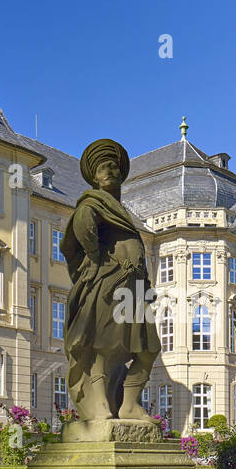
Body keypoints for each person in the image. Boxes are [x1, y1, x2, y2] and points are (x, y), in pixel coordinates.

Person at [60, 139, 160, 421]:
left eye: (114, 166)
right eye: (104, 167)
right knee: (106, 345)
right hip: (111, 281)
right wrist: (97, 254)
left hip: (137, 287)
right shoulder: (91, 202)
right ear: (94, 176)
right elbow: (82, 224)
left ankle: (128, 404)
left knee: (148, 349)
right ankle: (100, 404)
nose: (111, 171)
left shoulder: (121, 209)